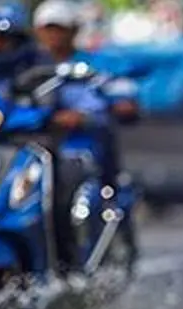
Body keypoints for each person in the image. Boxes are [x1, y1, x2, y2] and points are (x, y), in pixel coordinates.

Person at [0, 0, 110, 273]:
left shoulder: (43, 70)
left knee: (64, 182)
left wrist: (71, 115)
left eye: (1, 38)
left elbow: (86, 104)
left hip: (28, 151)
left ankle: (67, 266)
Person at [33, 0, 138, 189]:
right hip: (36, 136)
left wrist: (115, 105)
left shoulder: (96, 64)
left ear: (74, 30)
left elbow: (122, 96)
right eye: (48, 29)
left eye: (60, 29)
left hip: (81, 137)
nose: (54, 35)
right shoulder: (27, 66)